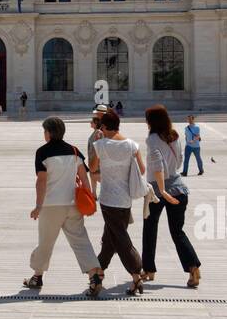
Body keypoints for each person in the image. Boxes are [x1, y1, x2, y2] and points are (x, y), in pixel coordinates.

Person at [22, 116, 104, 298]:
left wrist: (38, 206)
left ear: (49, 133)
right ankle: (94, 275)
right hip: (73, 205)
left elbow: (41, 182)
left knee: (46, 242)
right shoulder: (74, 151)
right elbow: (84, 178)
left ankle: (37, 276)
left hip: (51, 206)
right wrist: (90, 199)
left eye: (44, 131)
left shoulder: (42, 152)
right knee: (81, 241)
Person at [89, 110, 148, 294]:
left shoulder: (101, 145)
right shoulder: (132, 145)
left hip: (108, 199)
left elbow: (92, 168)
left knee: (121, 240)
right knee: (110, 240)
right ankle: (98, 275)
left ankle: (137, 273)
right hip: (125, 200)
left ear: (104, 127)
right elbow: (142, 170)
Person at [142, 105, 200, 289]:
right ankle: (193, 267)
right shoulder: (174, 136)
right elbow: (180, 160)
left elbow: (157, 165)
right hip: (179, 188)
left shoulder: (152, 139)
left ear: (151, 121)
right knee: (178, 232)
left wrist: (161, 189)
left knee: (150, 229)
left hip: (157, 191)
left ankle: (149, 270)